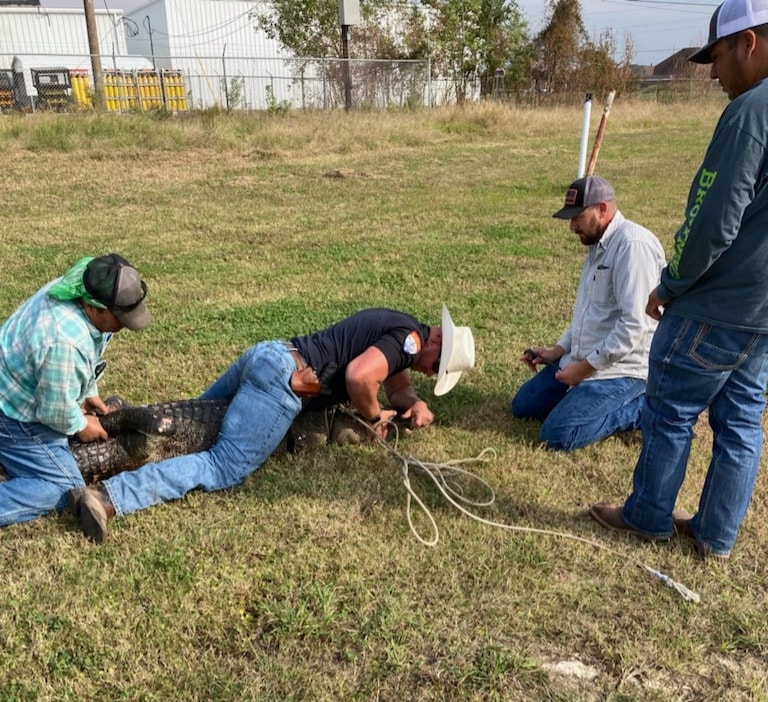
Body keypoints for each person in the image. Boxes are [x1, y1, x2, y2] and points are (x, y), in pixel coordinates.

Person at [589, 0, 768, 560]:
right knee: (741, 421)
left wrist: (672, 283)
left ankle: (647, 515)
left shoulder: (750, 113)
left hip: (719, 303)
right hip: (763, 314)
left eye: (716, 57)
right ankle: (716, 534)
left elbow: (714, 219)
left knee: (669, 409)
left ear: (748, 43)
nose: (713, 74)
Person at [69, 304, 475, 543]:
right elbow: (360, 378)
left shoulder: (402, 328)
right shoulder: (411, 342)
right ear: (436, 341)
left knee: (193, 423)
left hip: (270, 355)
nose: (429, 372)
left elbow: (396, 385)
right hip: (286, 383)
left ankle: (94, 423)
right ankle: (108, 498)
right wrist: (373, 418)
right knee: (223, 465)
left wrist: (415, 403)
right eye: (436, 367)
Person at [510, 175, 666, 451]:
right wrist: (558, 351)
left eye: (577, 217)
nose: (572, 227)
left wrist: (583, 370)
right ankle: (583, 401)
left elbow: (634, 325)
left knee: (558, 435)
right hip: (585, 359)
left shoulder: (632, 246)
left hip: (622, 370)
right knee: (523, 406)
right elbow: (587, 312)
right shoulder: (597, 244)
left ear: (602, 209)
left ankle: (648, 408)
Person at [0, 254, 151, 527]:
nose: (124, 325)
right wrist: (80, 424)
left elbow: (90, 352)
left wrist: (89, 391)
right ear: (94, 307)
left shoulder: (84, 281)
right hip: (11, 413)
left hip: (14, 384)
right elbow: (53, 412)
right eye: (119, 317)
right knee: (62, 488)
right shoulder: (66, 341)